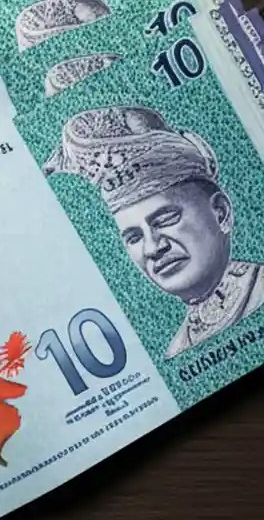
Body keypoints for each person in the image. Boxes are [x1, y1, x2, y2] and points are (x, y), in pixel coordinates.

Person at [45, 104, 264, 358]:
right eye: (134, 237)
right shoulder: (177, 351)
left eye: (165, 220)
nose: (152, 248)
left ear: (221, 212)